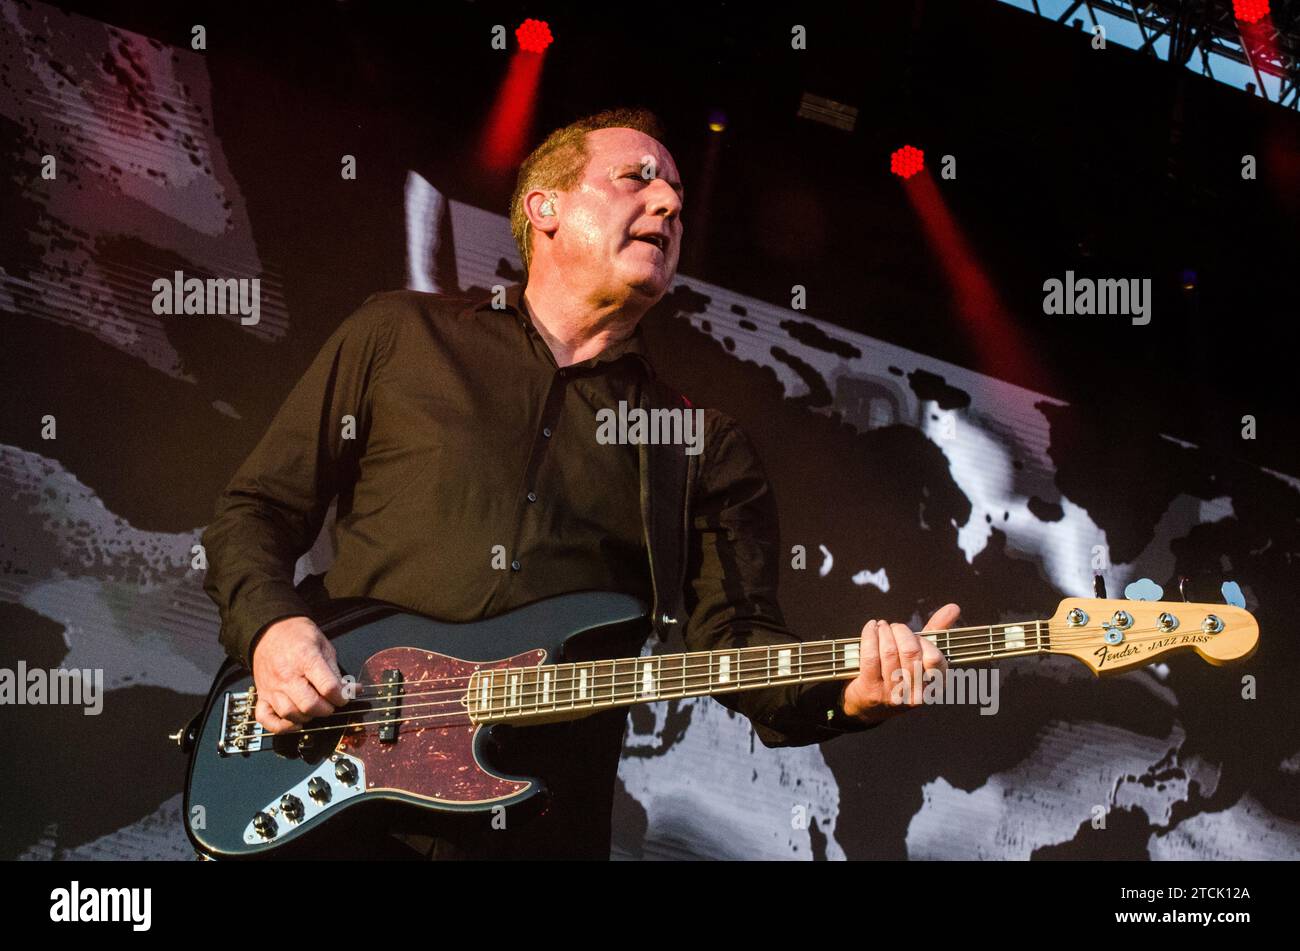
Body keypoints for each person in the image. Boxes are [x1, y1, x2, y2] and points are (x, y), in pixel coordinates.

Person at [200, 107, 959, 859]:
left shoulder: (702, 446)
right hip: (323, 775)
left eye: (678, 202)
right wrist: (273, 627)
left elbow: (736, 643)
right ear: (545, 207)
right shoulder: (400, 335)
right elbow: (255, 511)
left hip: (533, 825)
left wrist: (849, 693)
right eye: (639, 179)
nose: (668, 205)